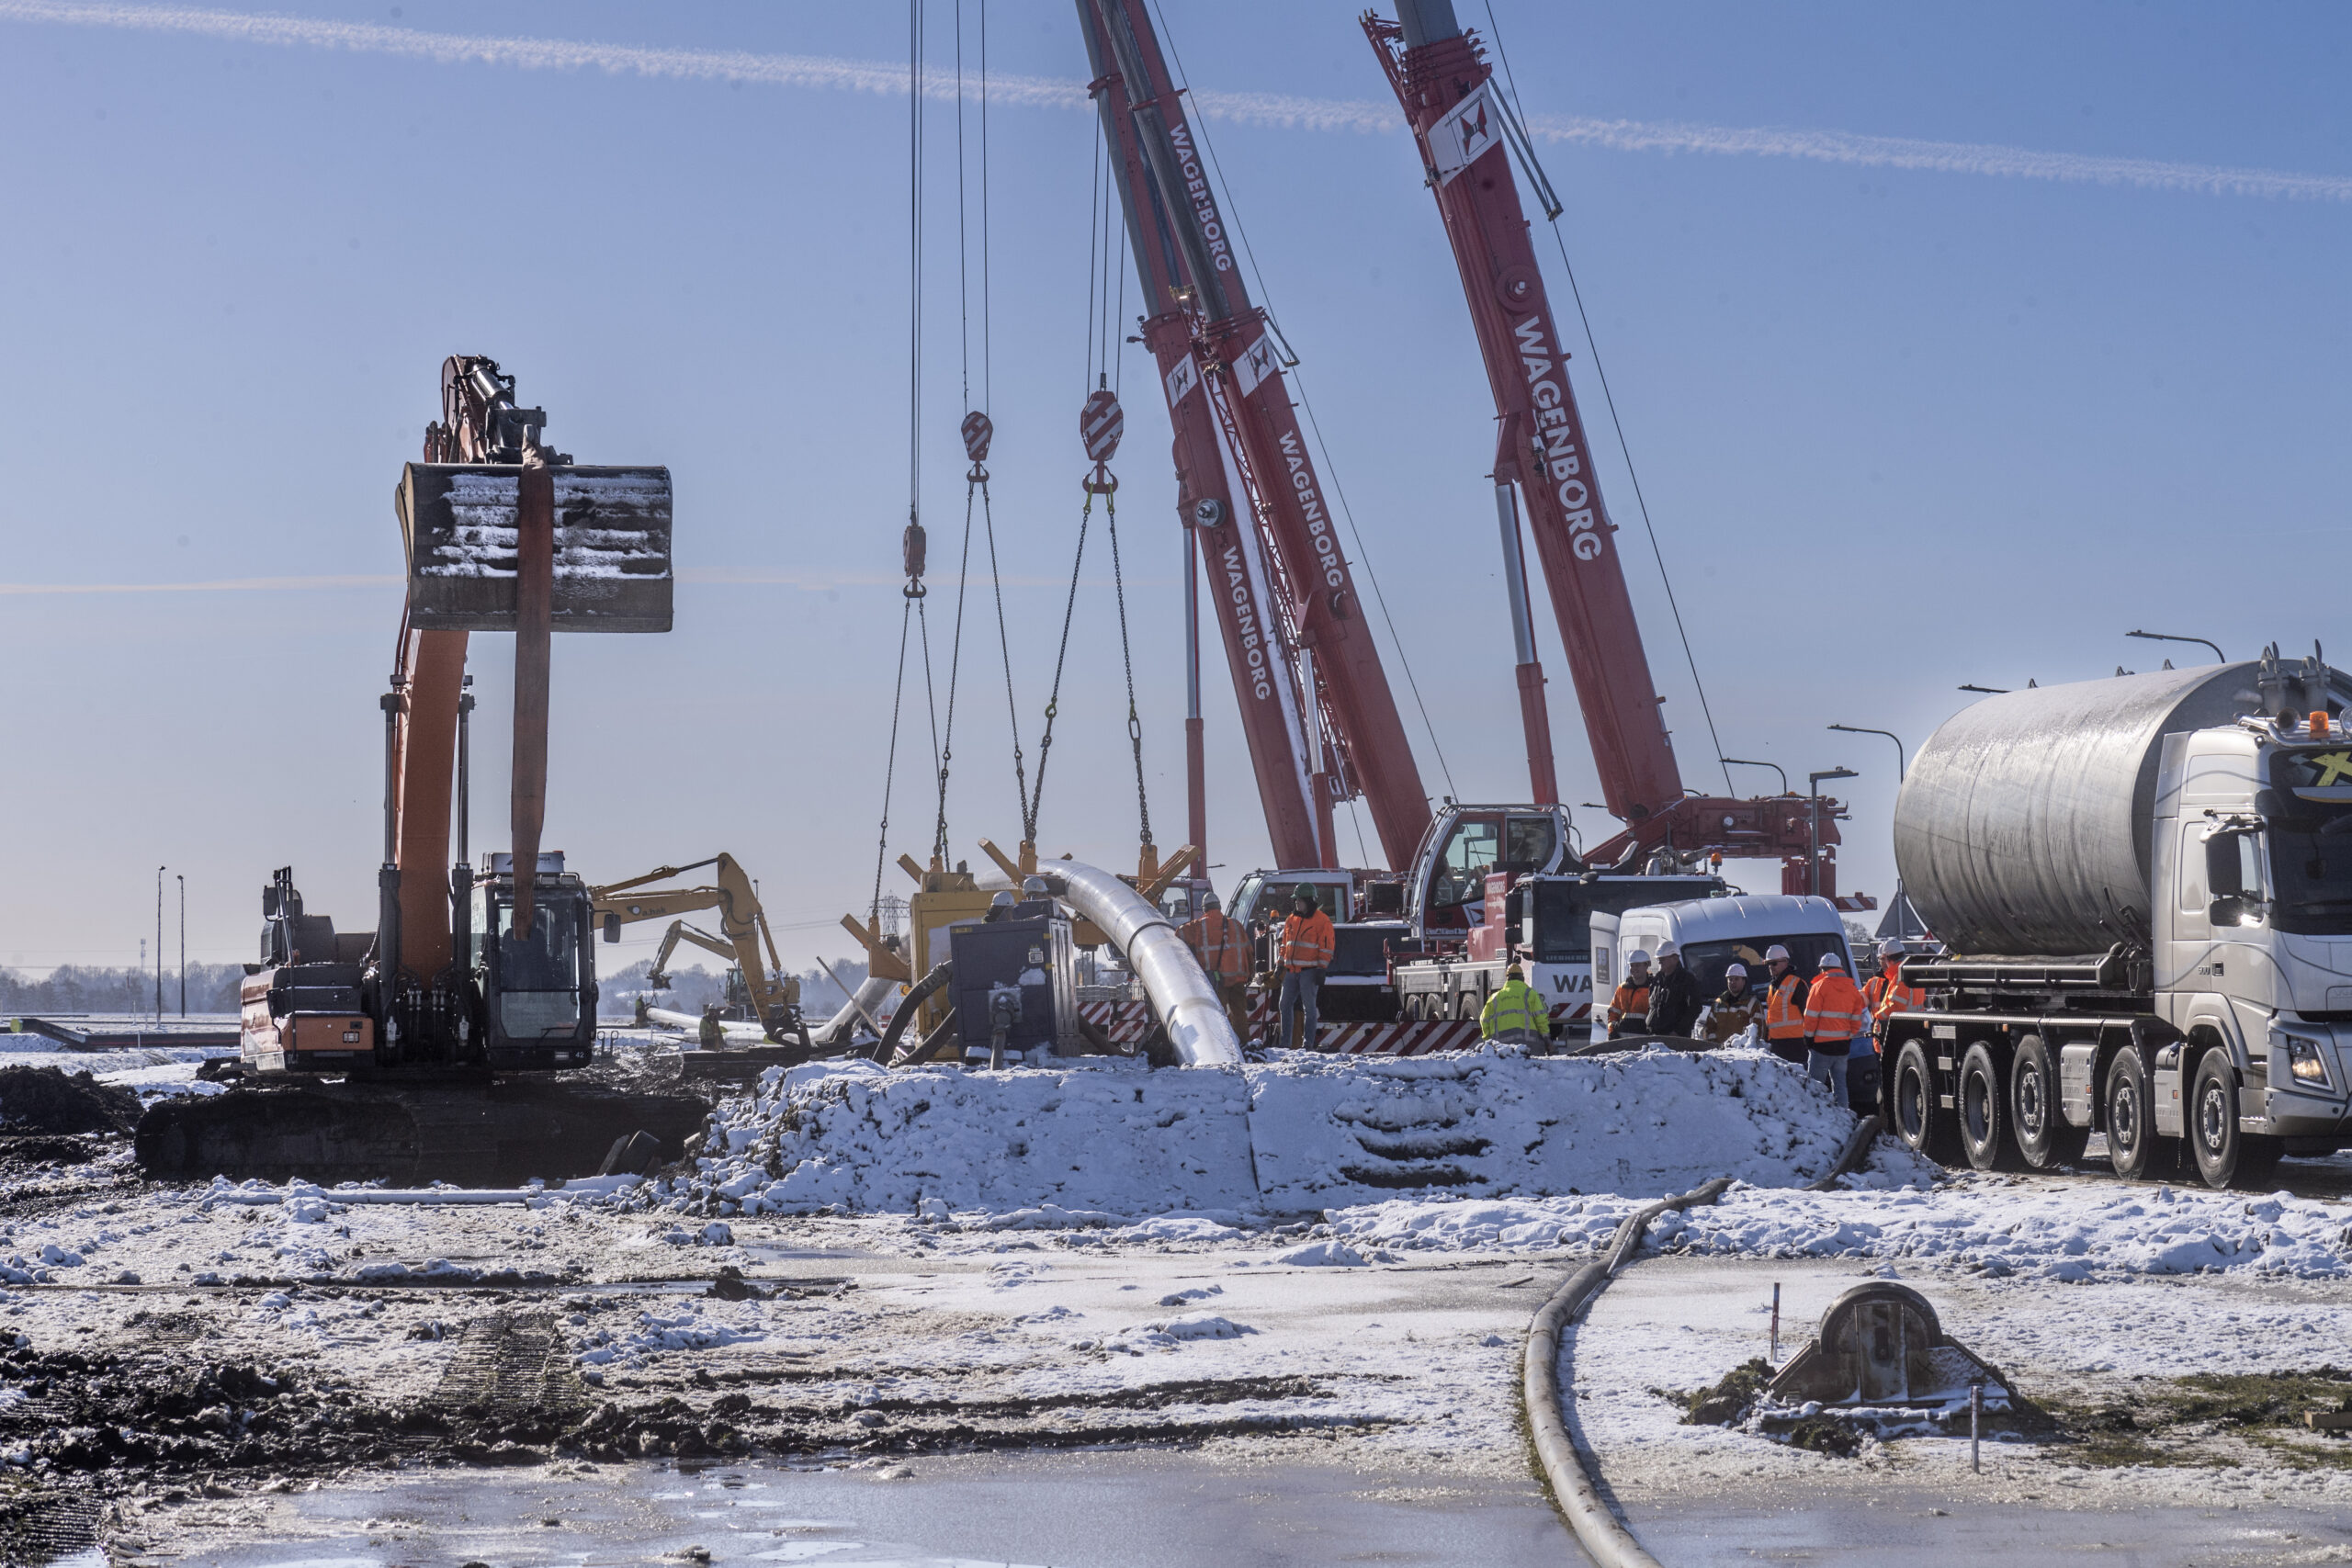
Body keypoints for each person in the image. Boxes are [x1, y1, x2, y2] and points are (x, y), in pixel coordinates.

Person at [1801, 952, 1871, 1107]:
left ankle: (1816, 1113)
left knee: (1815, 1085)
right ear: (1840, 968)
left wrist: (1808, 1038)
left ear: (1822, 969)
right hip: (1842, 1047)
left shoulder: (1819, 987)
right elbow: (1857, 1019)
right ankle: (1843, 1114)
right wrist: (1849, 1036)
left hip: (1821, 1046)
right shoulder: (1852, 989)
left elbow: (1811, 1017)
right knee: (1840, 1085)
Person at [1182, 893, 1251, 1037]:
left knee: (1219, 1016)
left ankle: (1223, 1045)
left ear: (1204, 908)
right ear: (1219, 906)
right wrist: (1251, 972)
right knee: (1240, 1015)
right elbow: (1249, 950)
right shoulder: (1236, 925)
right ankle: (1244, 1043)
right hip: (1238, 979)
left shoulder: (1198, 926)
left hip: (1218, 980)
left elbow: (1179, 934)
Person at [1276, 884, 1335, 1051]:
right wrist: (1280, 964)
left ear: (1309, 901)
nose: (1296, 903)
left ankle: (1307, 1045)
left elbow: (1326, 947)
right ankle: (1285, 1044)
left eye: (1299, 900)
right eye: (1296, 900)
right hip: (1291, 971)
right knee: (1284, 1004)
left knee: (1309, 1008)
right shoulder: (1291, 919)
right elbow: (1285, 944)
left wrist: (1321, 968)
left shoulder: (1322, 921)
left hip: (1309, 971)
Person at [1480, 963, 1553, 1050]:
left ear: (1507, 979)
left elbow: (1484, 1020)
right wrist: (1546, 1038)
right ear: (1522, 978)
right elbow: (1541, 1018)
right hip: (1529, 1046)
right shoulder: (1531, 994)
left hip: (1501, 1049)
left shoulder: (1494, 998)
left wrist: (1488, 1040)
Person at [1762, 944, 1812, 1066]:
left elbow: (1809, 1015)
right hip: (1777, 1045)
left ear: (1785, 962)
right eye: (1768, 964)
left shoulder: (1797, 984)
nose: (1770, 967)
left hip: (1796, 1046)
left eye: (1774, 963)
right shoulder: (1773, 986)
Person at [1644, 939, 1701, 1038]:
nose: (1659, 961)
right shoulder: (1657, 980)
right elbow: (1652, 1007)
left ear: (1675, 958)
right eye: (1658, 959)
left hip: (1676, 1039)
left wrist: (1678, 1032)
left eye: (1662, 958)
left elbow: (1695, 1008)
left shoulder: (1687, 980)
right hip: (1653, 1036)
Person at [1701, 962, 1763, 1043]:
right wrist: (1714, 1044)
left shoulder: (1753, 1004)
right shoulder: (1718, 1003)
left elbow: (1758, 1032)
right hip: (1718, 1049)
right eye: (1730, 979)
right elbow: (1709, 1028)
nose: (1733, 982)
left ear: (1744, 981)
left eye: (1736, 979)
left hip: (1741, 1050)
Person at [1606, 950, 1654, 1039]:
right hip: (1621, 1041)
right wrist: (1612, 1032)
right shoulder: (1622, 988)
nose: (1634, 968)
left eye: (1637, 965)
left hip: (1645, 1042)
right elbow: (1613, 1013)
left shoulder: (1654, 988)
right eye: (1632, 965)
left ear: (1647, 965)